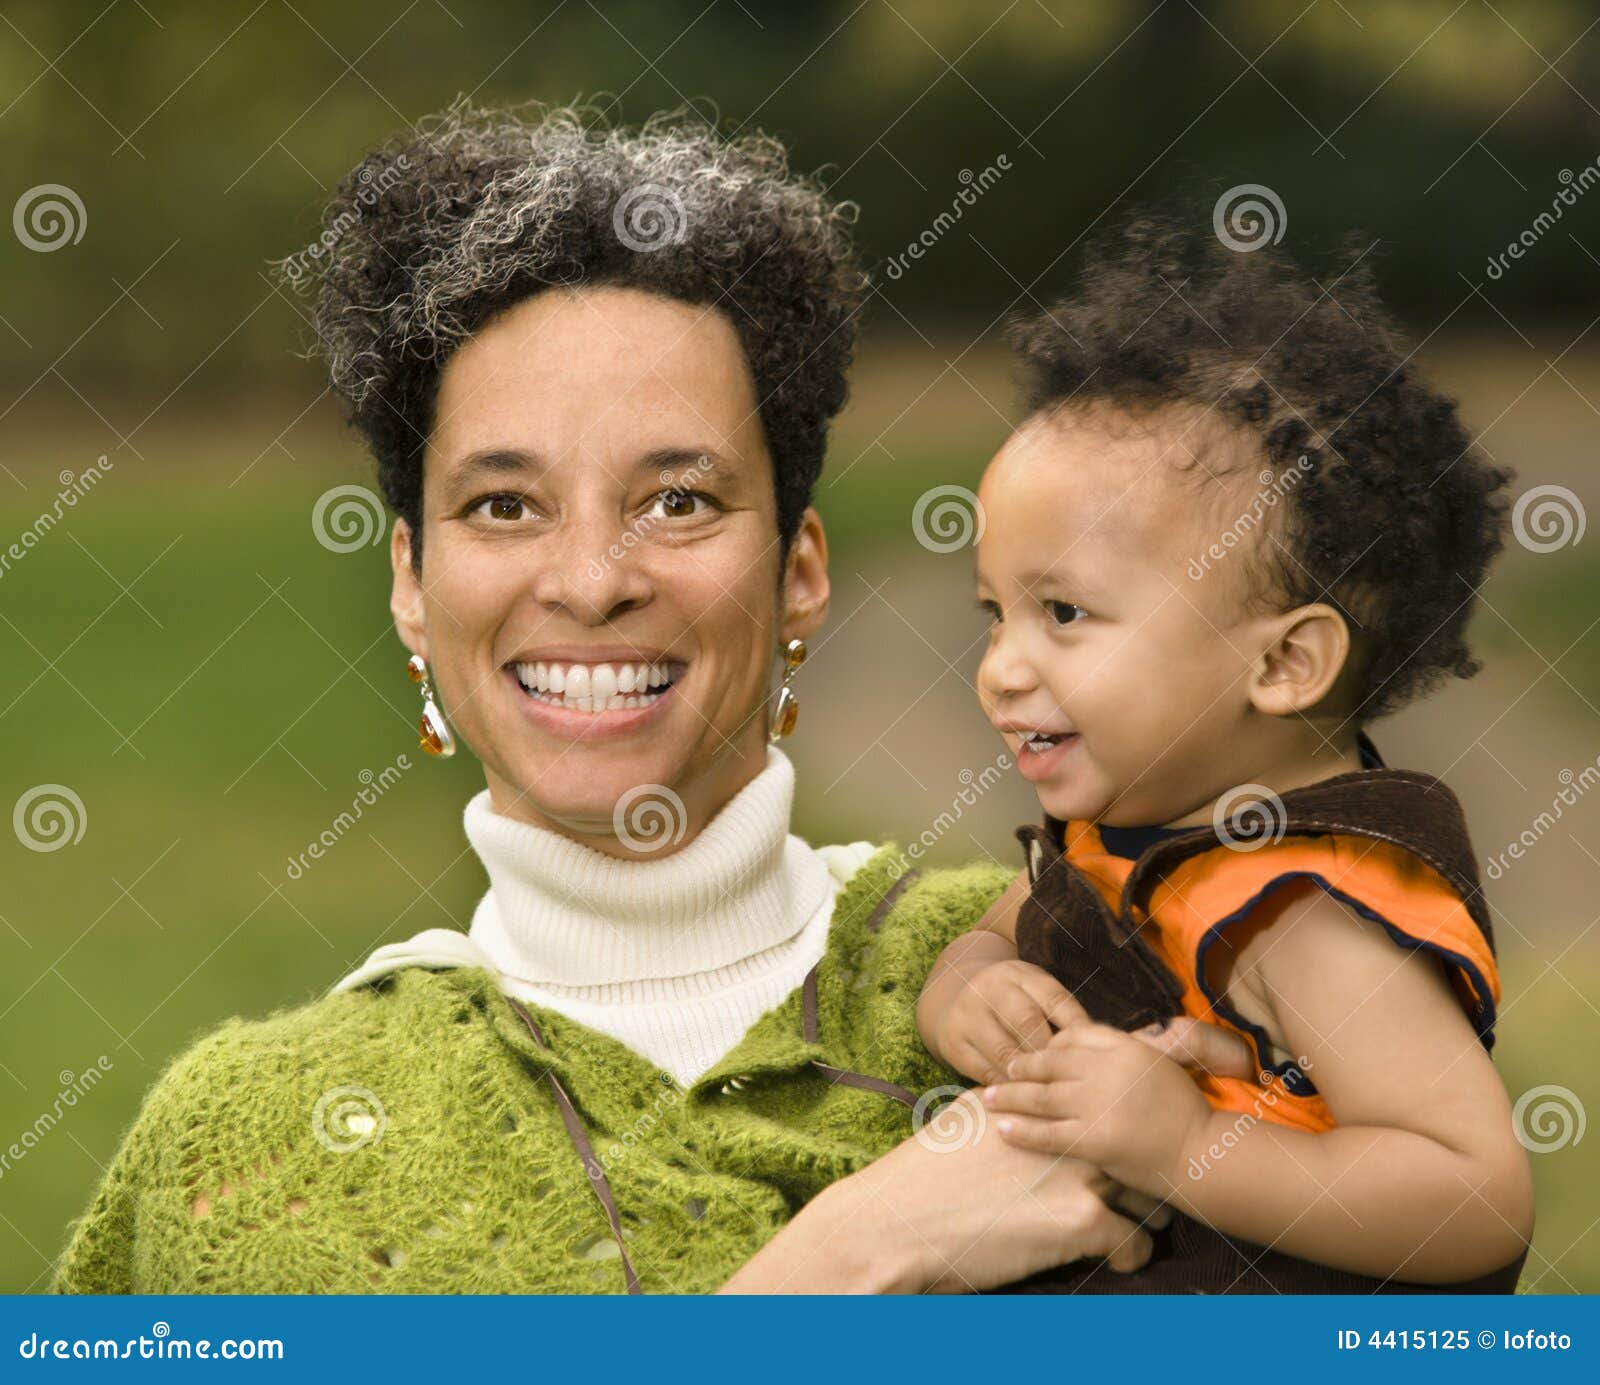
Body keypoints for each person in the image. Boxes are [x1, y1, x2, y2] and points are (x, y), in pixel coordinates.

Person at [51, 106, 1249, 1297]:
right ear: (413, 584)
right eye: (504, 505)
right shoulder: (254, 1155)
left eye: (676, 499)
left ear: (798, 571)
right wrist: (853, 1258)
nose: (589, 582)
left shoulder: (1082, 973)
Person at [916, 214, 1536, 1293]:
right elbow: (1001, 927)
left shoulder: (1306, 911)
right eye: (993, 611)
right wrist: (967, 986)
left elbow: (1473, 1200)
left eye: (1062, 611)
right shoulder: (1136, 826)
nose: (1002, 667)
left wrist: (1181, 1147)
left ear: (1286, 662)